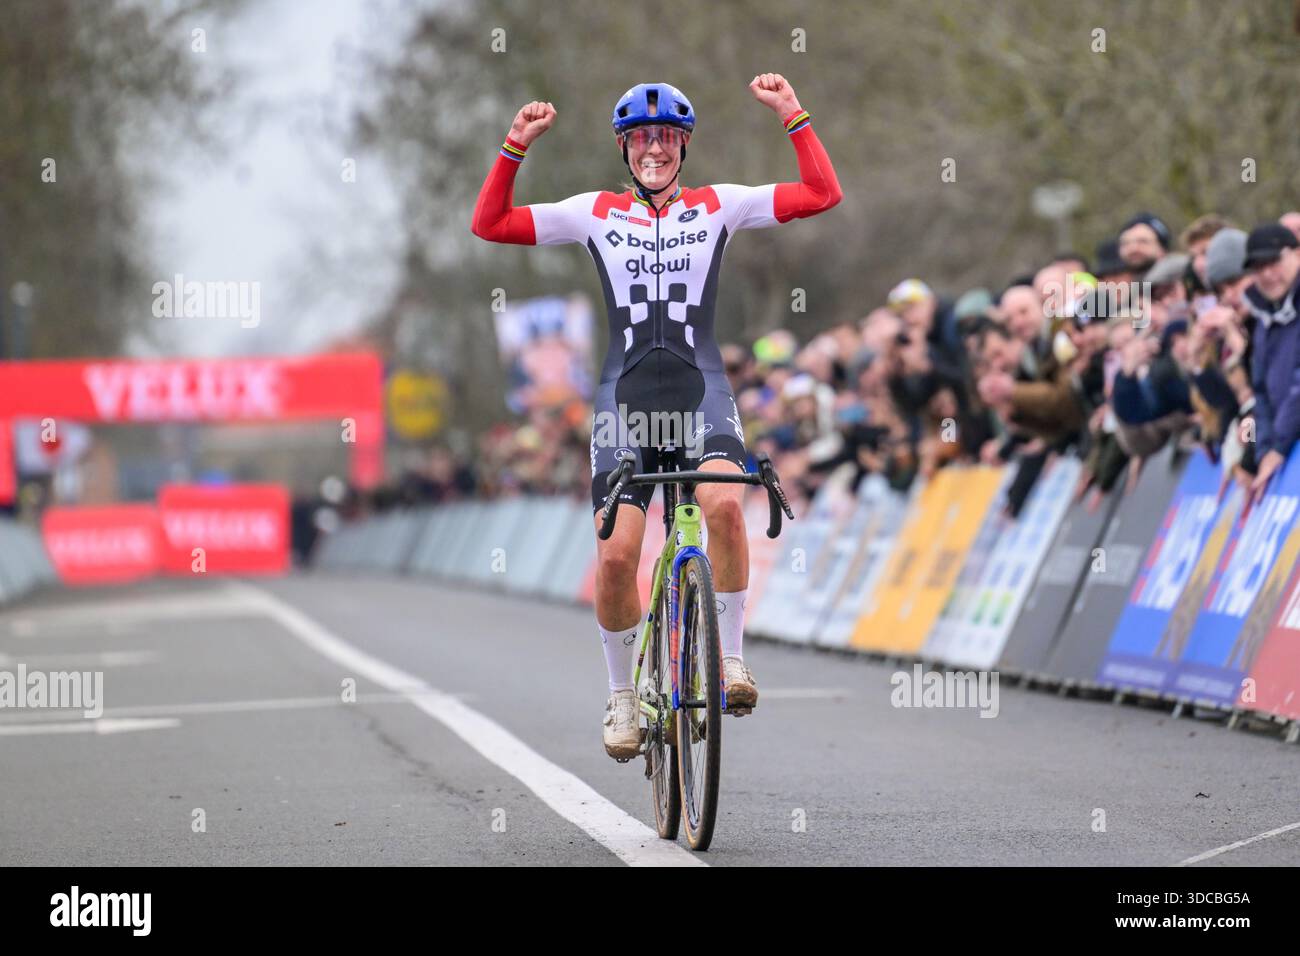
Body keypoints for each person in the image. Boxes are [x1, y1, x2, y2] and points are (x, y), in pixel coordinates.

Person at [470, 75, 841, 759]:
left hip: (701, 389)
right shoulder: (594, 213)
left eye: (667, 137)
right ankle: (620, 694)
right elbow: (490, 223)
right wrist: (513, 148)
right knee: (616, 557)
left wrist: (794, 115)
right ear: (623, 148)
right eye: (642, 139)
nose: (655, 149)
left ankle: (730, 660)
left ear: (684, 145)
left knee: (726, 508)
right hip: (627, 399)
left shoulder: (719, 206)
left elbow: (822, 193)